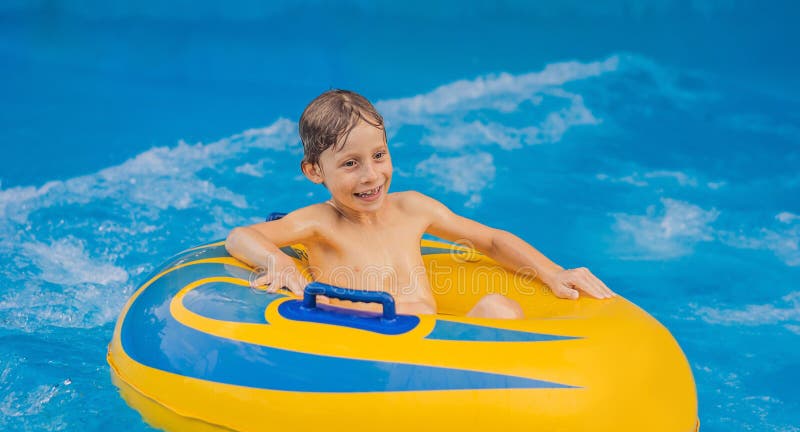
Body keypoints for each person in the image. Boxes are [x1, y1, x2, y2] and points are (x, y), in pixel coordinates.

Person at [225, 89, 614, 319]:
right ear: (314, 171)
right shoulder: (318, 223)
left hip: (433, 345)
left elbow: (491, 241)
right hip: (365, 347)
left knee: (499, 307)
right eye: (349, 164)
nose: (371, 176)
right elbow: (241, 236)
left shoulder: (413, 208)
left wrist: (553, 273)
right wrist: (279, 261)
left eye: (378, 155)